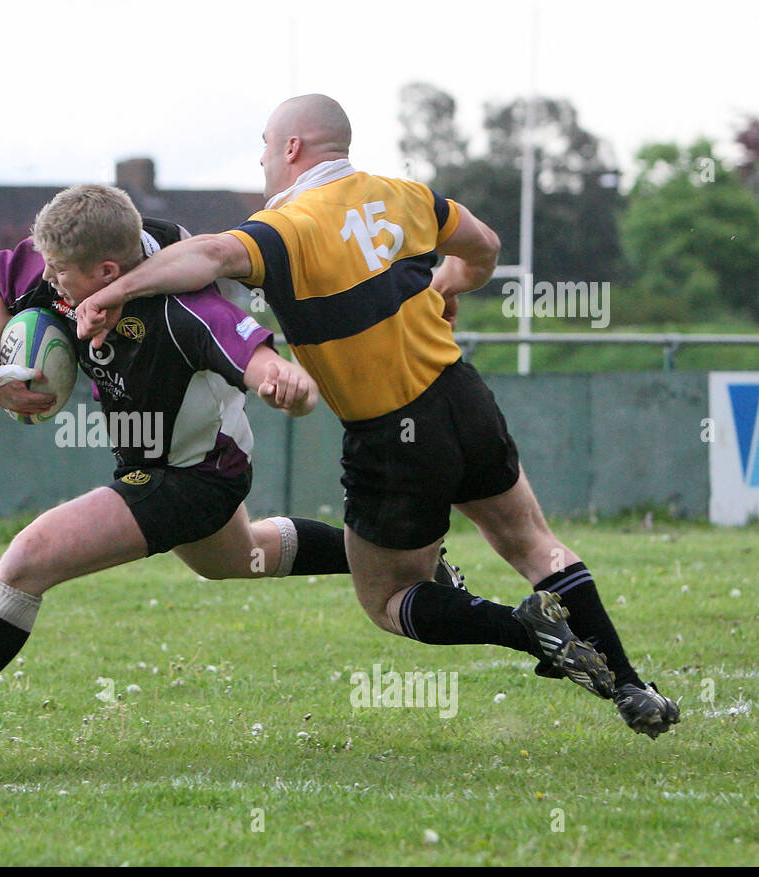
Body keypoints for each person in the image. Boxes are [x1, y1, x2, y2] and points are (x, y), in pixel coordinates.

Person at [76, 96, 679, 739]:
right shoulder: (406, 196)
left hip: (392, 436)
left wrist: (112, 291)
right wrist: (447, 285)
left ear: (292, 150)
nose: (258, 157)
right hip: (462, 396)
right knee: (534, 543)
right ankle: (632, 687)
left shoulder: (285, 227)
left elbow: (210, 256)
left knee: (389, 598)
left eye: (263, 144)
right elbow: (485, 246)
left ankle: (525, 630)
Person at [0, 184, 461, 767]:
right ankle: (412, 564)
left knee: (29, 557)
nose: (45, 280)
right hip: (152, 461)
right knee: (242, 556)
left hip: (196, 476)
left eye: (57, 272)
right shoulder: (76, 254)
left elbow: (249, 351)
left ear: (108, 272)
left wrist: (283, 380)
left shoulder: (184, 296)